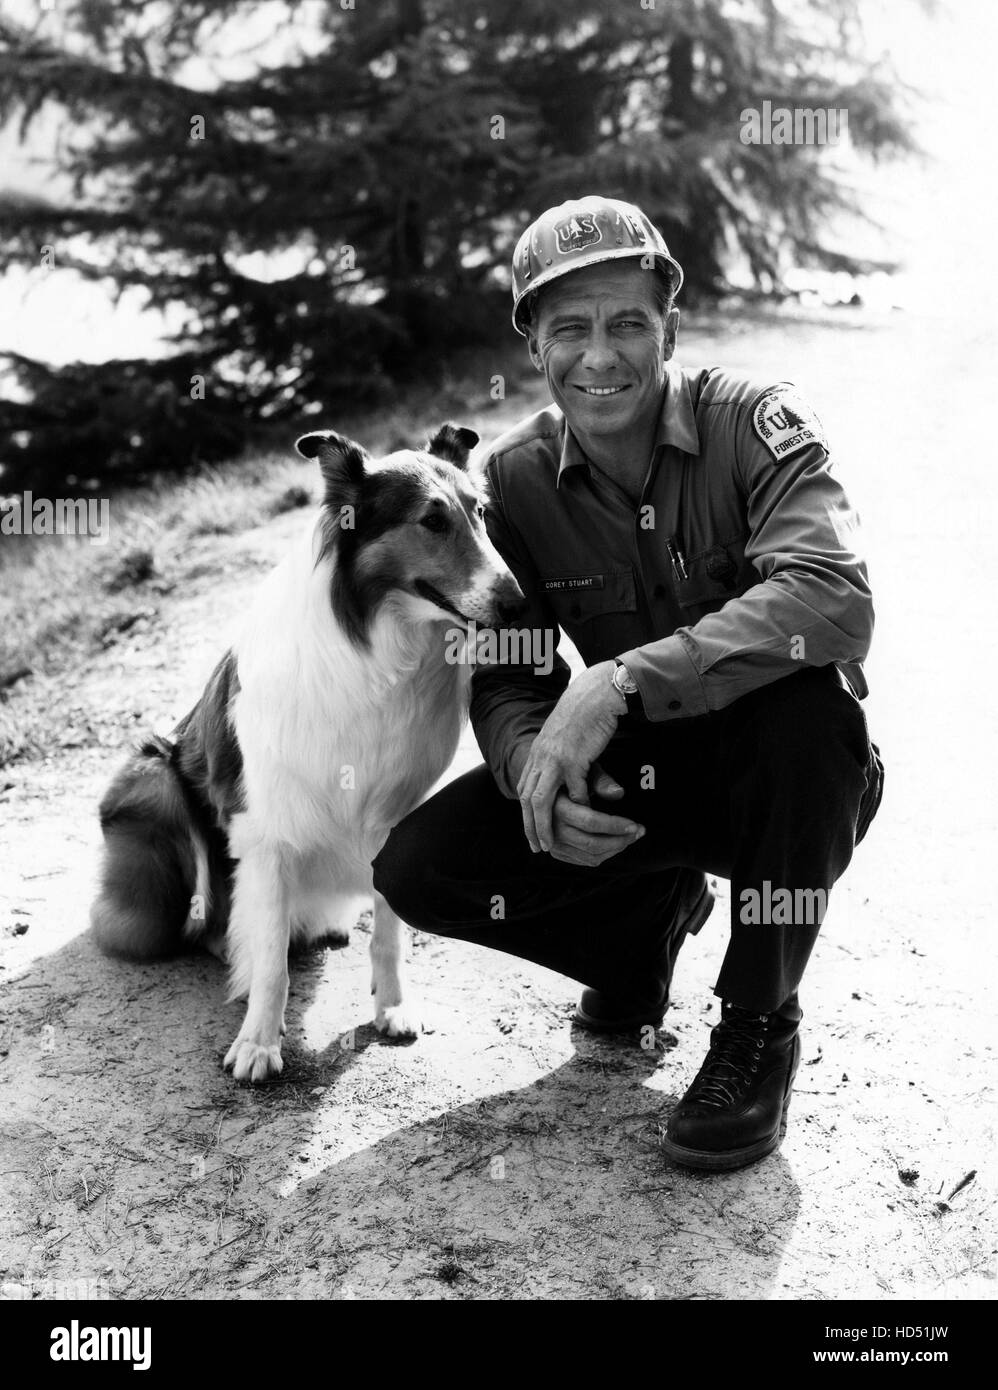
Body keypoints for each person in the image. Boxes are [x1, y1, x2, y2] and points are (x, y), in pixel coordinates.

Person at [373, 195, 883, 1171]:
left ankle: (756, 1022)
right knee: (418, 865)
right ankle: (637, 940)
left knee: (808, 719)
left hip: (776, 781)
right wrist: (530, 767)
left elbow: (830, 602)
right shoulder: (515, 482)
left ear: (670, 330)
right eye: (569, 328)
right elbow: (509, 671)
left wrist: (616, 682)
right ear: (534, 347)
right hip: (637, 788)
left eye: (625, 325)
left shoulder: (750, 424)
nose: (597, 356)